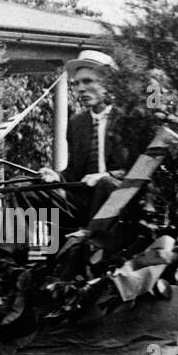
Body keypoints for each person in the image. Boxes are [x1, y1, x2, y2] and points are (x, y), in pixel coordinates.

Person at [38, 49, 130, 229]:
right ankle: (8, 255)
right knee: (27, 189)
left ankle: (89, 243)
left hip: (121, 203)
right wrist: (57, 176)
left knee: (105, 183)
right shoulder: (77, 123)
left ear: (109, 84)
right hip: (84, 203)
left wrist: (104, 176)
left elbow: (137, 169)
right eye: (76, 83)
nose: (80, 89)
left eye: (87, 81)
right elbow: (74, 173)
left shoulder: (129, 120)